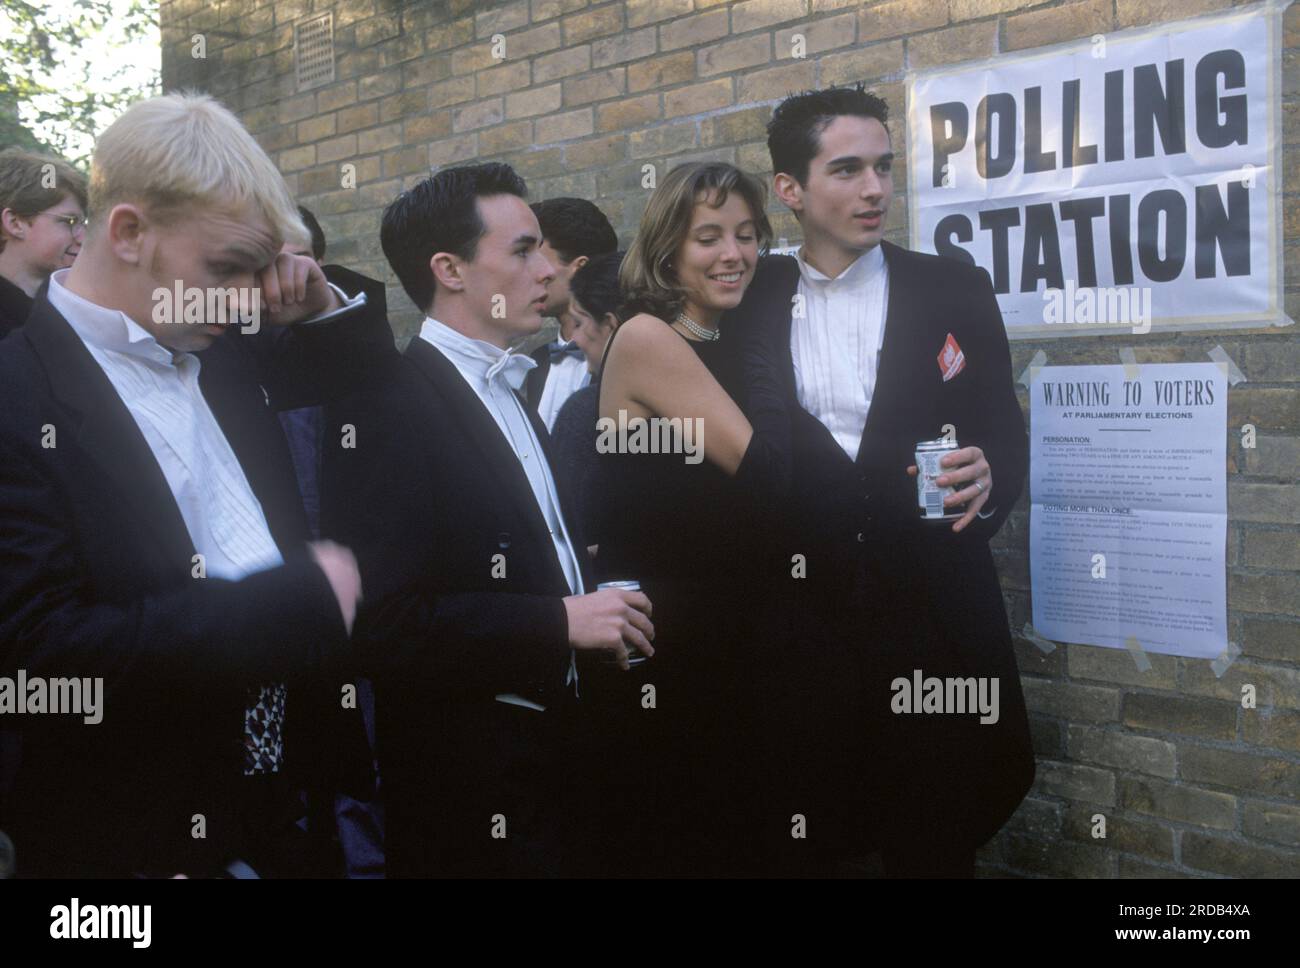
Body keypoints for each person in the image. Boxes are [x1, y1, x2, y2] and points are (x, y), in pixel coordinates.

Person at [0, 93, 384, 877]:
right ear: (130, 231)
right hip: (135, 842)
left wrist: (315, 300)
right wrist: (285, 607)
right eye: (226, 269)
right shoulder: (16, 394)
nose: (248, 298)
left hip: (291, 822)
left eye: (258, 271)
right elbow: (34, 660)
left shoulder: (221, 345)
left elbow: (369, 378)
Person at [728, 83, 1035, 876]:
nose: (875, 190)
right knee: (810, 833)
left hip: (930, 619)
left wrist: (990, 471)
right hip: (796, 628)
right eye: (848, 169)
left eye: (885, 168)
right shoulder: (746, 296)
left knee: (933, 832)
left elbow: (1002, 427)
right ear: (790, 190)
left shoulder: (952, 287)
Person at [321, 162, 655, 878]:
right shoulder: (388, 407)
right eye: (522, 250)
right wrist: (559, 621)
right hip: (471, 796)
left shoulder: (514, 383)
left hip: (562, 768)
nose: (547, 272)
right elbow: (384, 623)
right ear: (449, 269)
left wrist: (598, 598)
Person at [591, 161, 791, 876]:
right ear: (668, 248)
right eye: (709, 237)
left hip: (732, 640)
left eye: (746, 235)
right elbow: (768, 473)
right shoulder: (649, 338)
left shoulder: (715, 338)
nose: (733, 253)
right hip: (674, 649)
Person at [548, 249, 623, 545]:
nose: (575, 340)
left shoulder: (586, 412)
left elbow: (565, 529)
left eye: (578, 323)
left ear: (611, 324)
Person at [524, 197, 618, 430]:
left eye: (538, 260)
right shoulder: (537, 362)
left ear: (581, 267)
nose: (527, 274)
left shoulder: (624, 355)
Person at [0, 148, 87, 336]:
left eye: (82, 224)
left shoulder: (60, 313)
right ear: (15, 223)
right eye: (69, 221)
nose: (82, 238)